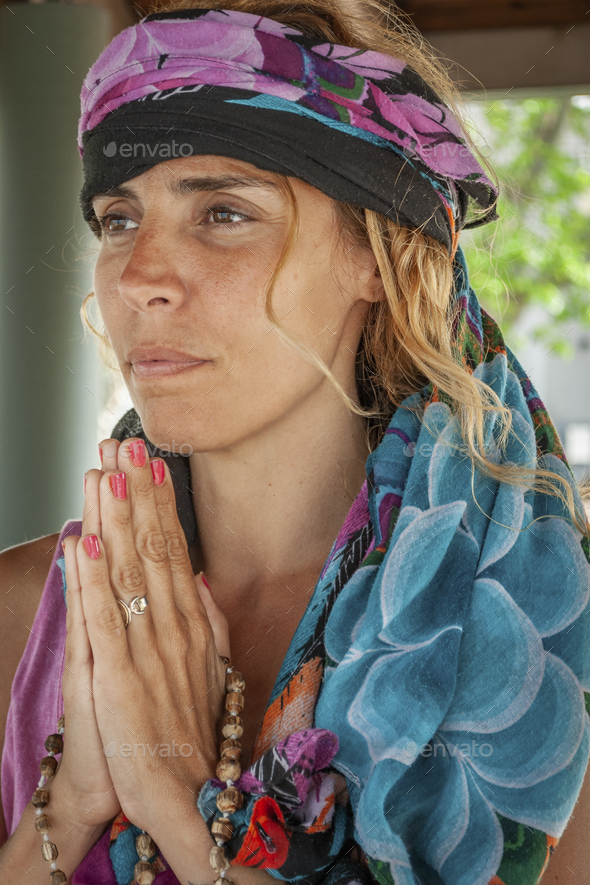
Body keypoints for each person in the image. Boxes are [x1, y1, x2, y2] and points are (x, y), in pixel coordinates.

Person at [1, 1, 589, 883]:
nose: (140, 276)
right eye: (119, 219)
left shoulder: (552, 627)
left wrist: (176, 797)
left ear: (374, 255)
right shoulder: (16, 617)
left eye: (222, 212)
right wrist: (70, 804)